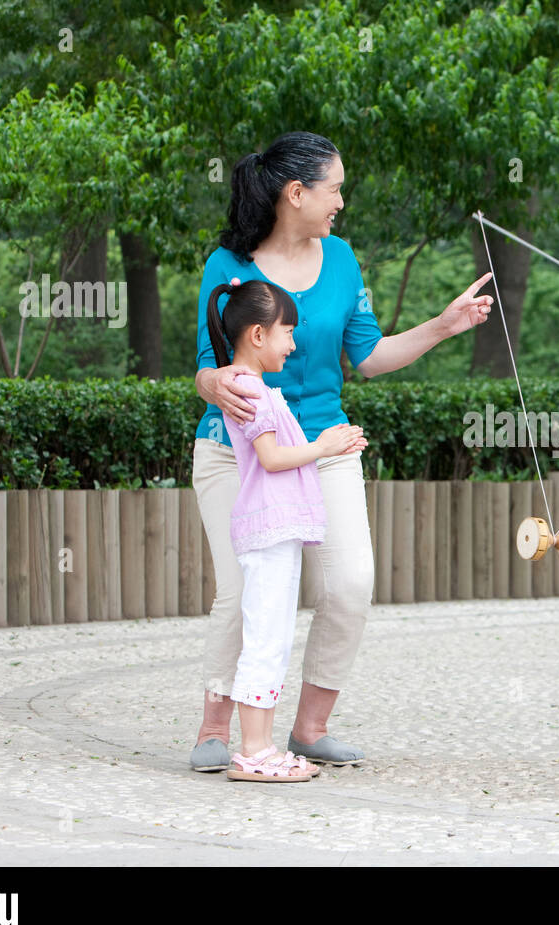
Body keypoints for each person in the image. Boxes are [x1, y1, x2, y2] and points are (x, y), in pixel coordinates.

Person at [189, 131, 493, 772]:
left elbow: (370, 356)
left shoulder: (343, 260)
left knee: (351, 584)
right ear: (295, 193)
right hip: (237, 453)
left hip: (324, 445)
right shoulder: (228, 264)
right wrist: (214, 382)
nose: (341, 202)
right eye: (335, 189)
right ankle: (216, 729)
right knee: (242, 587)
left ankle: (309, 728)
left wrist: (446, 323)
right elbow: (204, 368)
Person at [204, 277, 367, 780]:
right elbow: (272, 458)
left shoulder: (253, 386)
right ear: (257, 335)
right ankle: (254, 753)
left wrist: (328, 444)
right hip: (268, 533)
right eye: (287, 333)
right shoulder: (247, 387)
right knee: (266, 639)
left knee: (271, 636)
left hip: (276, 533)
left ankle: (260, 746)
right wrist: (325, 447)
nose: (293, 344)